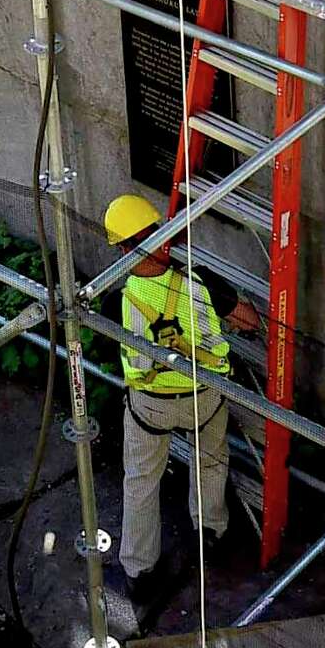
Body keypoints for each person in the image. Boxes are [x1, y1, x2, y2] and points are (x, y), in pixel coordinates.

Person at [102, 193, 259, 600]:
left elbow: (114, 356)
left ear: (120, 247)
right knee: (210, 462)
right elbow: (249, 321)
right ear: (161, 234)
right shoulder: (200, 281)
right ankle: (211, 532)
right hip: (205, 396)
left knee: (141, 481)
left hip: (149, 406)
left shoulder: (113, 300)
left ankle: (138, 570)